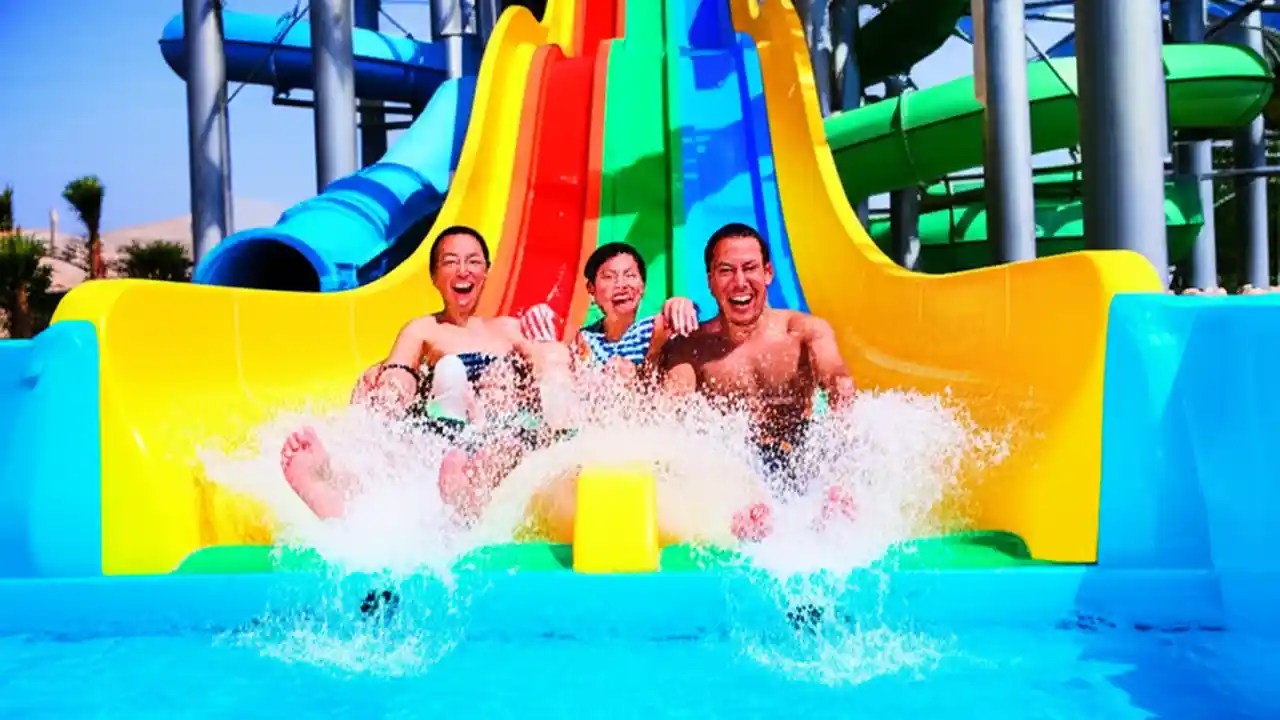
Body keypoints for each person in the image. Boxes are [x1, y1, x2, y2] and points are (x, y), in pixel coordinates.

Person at [279, 225, 573, 521]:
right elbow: (399, 373)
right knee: (444, 374)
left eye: (473, 261)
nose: (463, 270)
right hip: (446, 436)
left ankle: (474, 486)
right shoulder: (423, 329)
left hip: (501, 432)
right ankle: (330, 481)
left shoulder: (508, 328)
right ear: (434, 276)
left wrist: (545, 344)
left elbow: (545, 364)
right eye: (450, 262)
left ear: (486, 271)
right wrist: (387, 396)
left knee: (517, 411)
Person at [655, 222, 859, 541]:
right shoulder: (691, 347)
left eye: (749, 268)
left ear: (768, 273)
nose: (739, 282)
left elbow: (837, 376)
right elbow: (669, 411)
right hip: (737, 469)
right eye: (725, 271)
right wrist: (659, 338)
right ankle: (747, 517)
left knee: (843, 431)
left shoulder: (803, 332)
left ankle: (829, 506)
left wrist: (839, 394)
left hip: (800, 453)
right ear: (710, 281)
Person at [518, 242, 699, 379]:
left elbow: (682, 321)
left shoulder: (654, 328)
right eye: (609, 277)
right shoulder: (585, 340)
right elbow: (543, 318)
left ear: (642, 286)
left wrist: (680, 304)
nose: (621, 285)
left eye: (630, 275)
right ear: (591, 289)